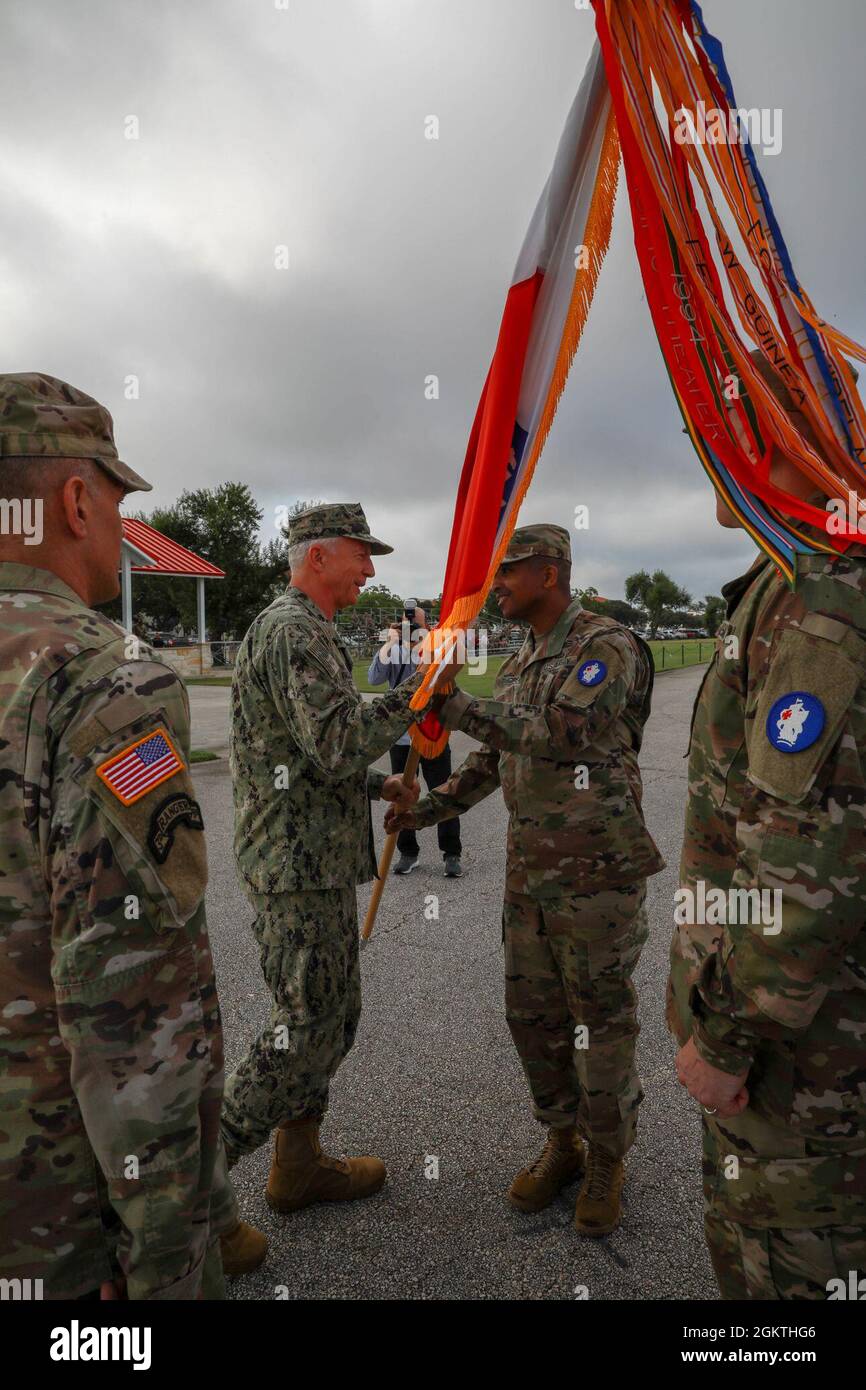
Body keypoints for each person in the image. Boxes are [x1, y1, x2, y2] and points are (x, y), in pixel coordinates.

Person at [0, 372, 263, 1300]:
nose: (117, 518)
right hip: (50, 1204)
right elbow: (133, 1011)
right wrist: (162, 1255)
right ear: (77, 499)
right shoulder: (104, 680)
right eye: (115, 496)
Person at [386, 524, 664, 1234]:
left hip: (597, 873)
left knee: (596, 1022)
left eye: (505, 573)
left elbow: (562, 733)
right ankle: (562, 1142)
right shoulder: (522, 656)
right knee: (532, 1017)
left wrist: (453, 704)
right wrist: (428, 811)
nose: (494, 587)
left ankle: (607, 1159)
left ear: (548, 573)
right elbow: (499, 758)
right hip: (530, 874)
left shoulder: (606, 645)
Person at [668, 352, 866, 1299]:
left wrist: (727, 1039)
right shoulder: (797, 573)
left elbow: (806, 870)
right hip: (808, 1050)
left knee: (784, 1280)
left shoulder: (821, 595)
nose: (703, 444)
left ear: (766, 430)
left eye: (709, 417)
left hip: (804, 1070)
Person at [220, 503, 458, 1212]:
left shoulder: (303, 627)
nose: (372, 568)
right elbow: (332, 739)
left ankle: (298, 1166)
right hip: (295, 868)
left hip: (307, 861)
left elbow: (294, 753)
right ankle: (191, 1190)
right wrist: (419, 695)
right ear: (318, 556)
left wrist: (371, 781)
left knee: (329, 1017)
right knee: (305, 1024)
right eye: (362, 553)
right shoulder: (294, 631)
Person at [367, 600, 463, 877]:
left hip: (432, 733)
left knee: (442, 792)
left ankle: (451, 852)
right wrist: (389, 643)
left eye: (417, 624)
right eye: (408, 624)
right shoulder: (393, 648)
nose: (412, 630)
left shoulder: (435, 645)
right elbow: (373, 679)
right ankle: (408, 852)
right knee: (401, 794)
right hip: (401, 736)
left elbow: (448, 672)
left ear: (426, 625)